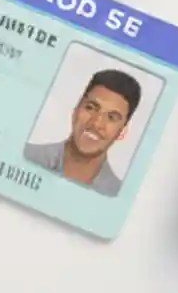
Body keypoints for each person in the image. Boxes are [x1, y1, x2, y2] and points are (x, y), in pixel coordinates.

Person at [24, 69, 142, 197]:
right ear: (76, 110)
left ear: (122, 132)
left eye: (112, 117)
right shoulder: (27, 155)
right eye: (91, 107)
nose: (96, 123)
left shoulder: (117, 195)